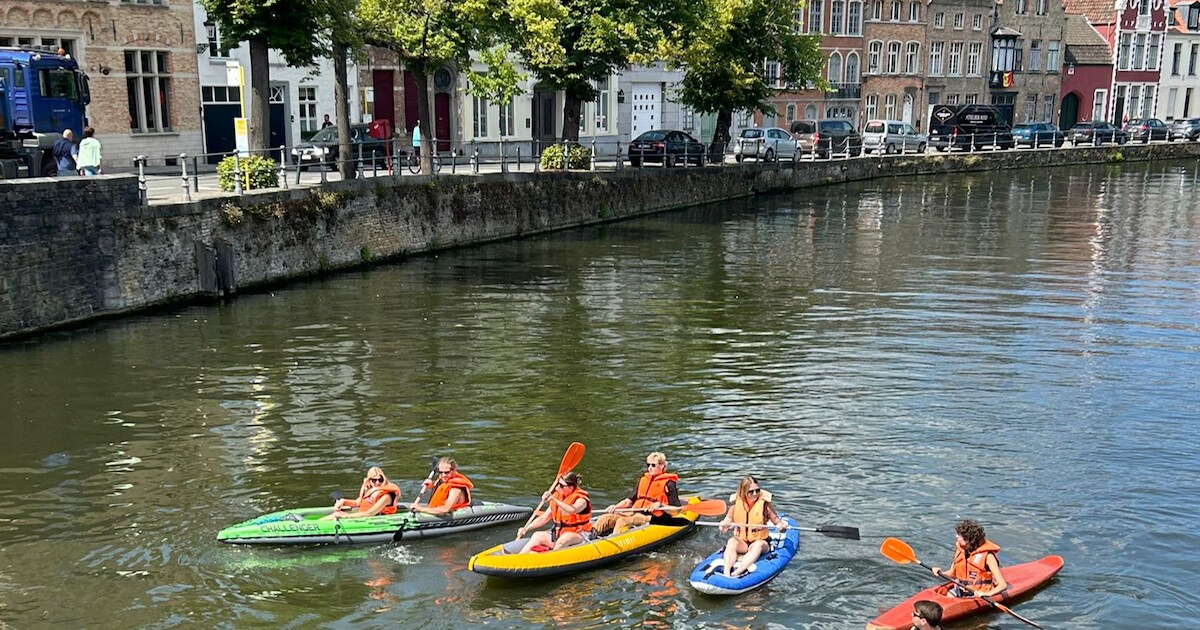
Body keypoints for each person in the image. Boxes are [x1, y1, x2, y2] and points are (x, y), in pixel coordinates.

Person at [593, 451, 682, 536]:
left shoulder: (669, 484)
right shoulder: (643, 480)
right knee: (605, 518)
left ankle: (615, 544)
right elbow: (629, 501)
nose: (650, 468)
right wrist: (616, 507)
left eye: (653, 465)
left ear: (662, 466)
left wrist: (660, 505)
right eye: (648, 465)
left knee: (622, 521)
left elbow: (676, 510)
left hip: (650, 516)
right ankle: (588, 537)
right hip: (633, 512)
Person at [717, 475, 788, 577]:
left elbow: (777, 521)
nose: (755, 494)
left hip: (761, 542)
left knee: (758, 544)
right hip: (743, 542)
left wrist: (781, 526)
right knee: (731, 541)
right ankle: (726, 571)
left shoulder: (765, 506)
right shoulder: (735, 506)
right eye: (751, 491)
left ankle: (738, 571)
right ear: (743, 492)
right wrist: (724, 525)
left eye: (757, 490)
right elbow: (724, 527)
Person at [516, 471, 592, 553]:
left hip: (581, 535)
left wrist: (553, 499)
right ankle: (518, 558)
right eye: (557, 484)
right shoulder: (558, 496)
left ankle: (550, 559)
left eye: (561, 486)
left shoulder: (581, 500)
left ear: (570, 487)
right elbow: (543, 519)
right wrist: (526, 529)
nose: (557, 488)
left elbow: (572, 510)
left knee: (565, 538)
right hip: (560, 534)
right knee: (537, 535)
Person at [932, 518, 1008, 597]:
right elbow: (952, 573)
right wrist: (940, 573)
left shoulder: (988, 556)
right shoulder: (960, 551)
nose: (956, 536)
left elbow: (1002, 585)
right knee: (949, 595)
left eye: (959, 534)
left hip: (979, 593)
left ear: (968, 539)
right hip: (959, 590)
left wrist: (987, 594)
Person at [325, 466, 401, 519]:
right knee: (336, 514)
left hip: (374, 519)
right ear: (369, 480)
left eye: (380, 480)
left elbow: (369, 513)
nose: (377, 483)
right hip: (364, 516)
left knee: (337, 515)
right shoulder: (368, 489)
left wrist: (346, 516)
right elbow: (358, 503)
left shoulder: (386, 496)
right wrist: (343, 501)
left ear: (384, 479)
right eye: (374, 480)